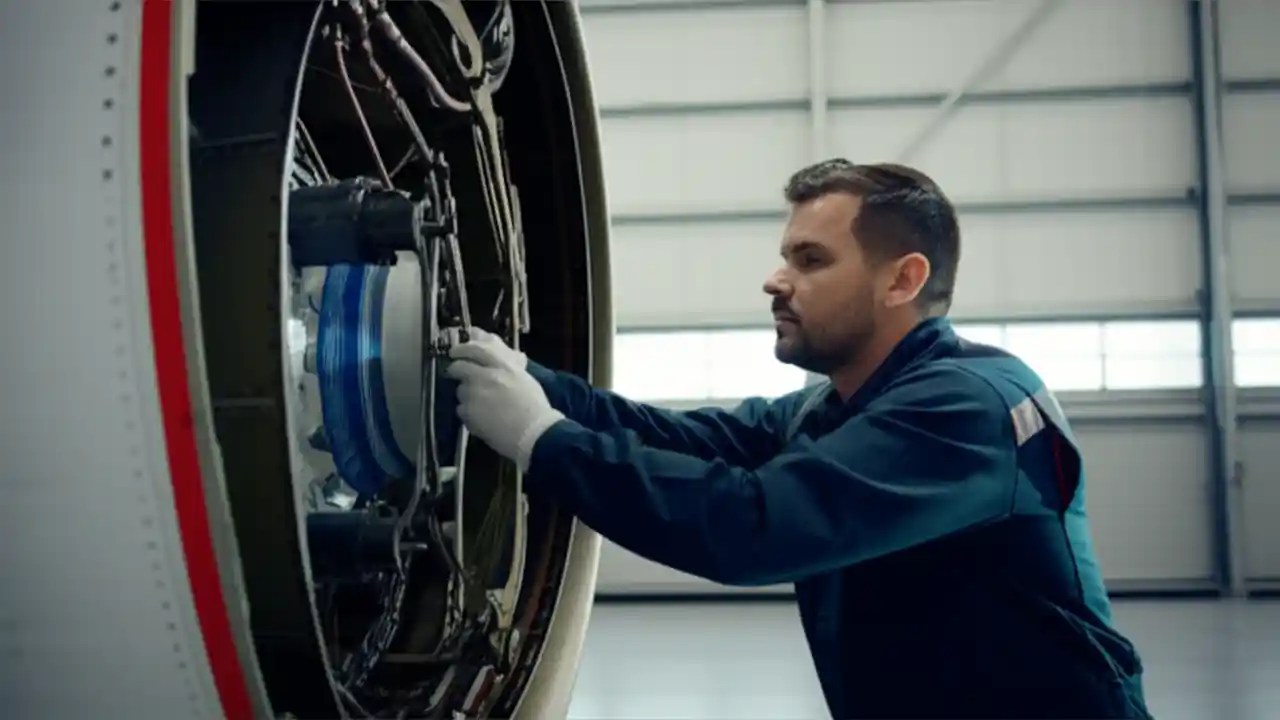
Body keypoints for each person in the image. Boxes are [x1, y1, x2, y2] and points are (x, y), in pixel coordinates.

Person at [444, 159, 1152, 719]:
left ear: (902, 280)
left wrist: (541, 437)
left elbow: (753, 525)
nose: (775, 281)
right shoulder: (833, 407)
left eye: (810, 260)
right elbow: (681, 439)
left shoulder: (968, 408)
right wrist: (521, 374)